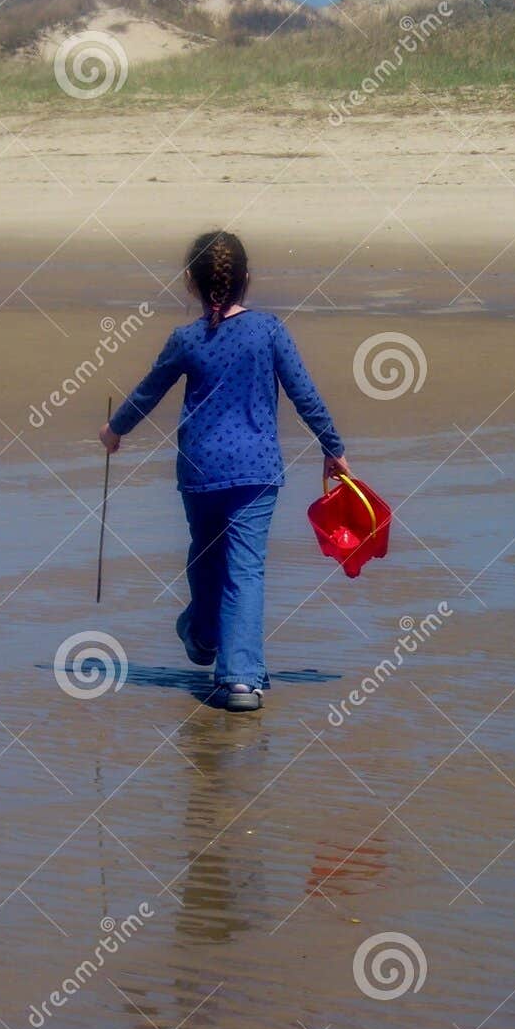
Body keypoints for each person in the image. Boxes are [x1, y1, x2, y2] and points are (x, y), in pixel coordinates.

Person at [100, 230, 350, 712]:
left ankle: (204, 634)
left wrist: (114, 430)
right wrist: (333, 448)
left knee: (206, 556)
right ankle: (239, 678)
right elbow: (305, 395)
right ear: (246, 279)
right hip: (255, 471)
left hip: (199, 469)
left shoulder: (187, 338)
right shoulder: (269, 331)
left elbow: (148, 392)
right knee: (245, 570)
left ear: (191, 284)